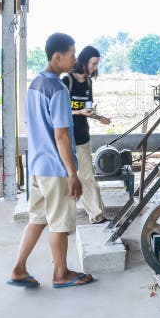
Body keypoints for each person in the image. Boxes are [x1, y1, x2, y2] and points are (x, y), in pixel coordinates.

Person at [8, 33, 95, 289]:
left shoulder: (35, 85)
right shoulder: (57, 89)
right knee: (60, 221)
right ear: (57, 57)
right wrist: (72, 172)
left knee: (37, 218)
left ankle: (18, 269)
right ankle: (61, 273)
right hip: (55, 169)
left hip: (36, 165)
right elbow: (61, 135)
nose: (75, 59)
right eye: (71, 54)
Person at [62, 46, 112, 224]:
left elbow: (87, 110)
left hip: (82, 136)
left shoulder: (88, 83)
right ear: (83, 60)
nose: (95, 67)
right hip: (65, 137)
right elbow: (59, 110)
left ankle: (97, 215)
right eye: (93, 63)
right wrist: (79, 113)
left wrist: (99, 117)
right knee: (64, 177)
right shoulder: (67, 80)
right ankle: (59, 216)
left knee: (87, 177)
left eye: (97, 64)